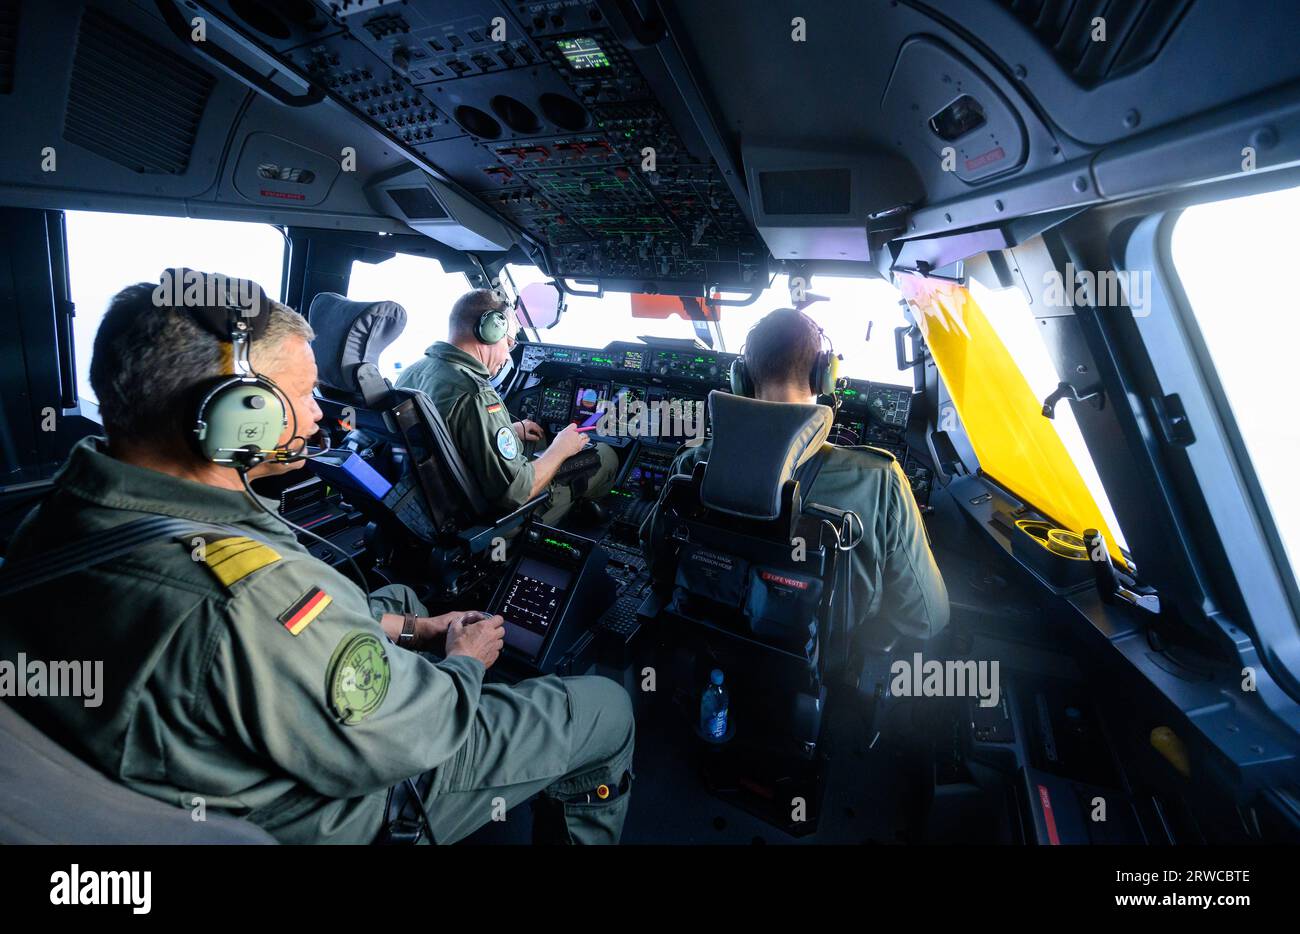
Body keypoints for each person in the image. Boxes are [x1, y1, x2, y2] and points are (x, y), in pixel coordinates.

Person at [0, 278, 634, 844]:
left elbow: (276, 632)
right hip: (342, 806)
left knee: (409, 606)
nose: (319, 414)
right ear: (235, 417)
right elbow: (414, 730)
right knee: (607, 709)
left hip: (187, 763)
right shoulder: (246, 596)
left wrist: (413, 630)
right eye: (299, 397)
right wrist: (464, 665)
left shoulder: (56, 521)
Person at [655, 308, 949, 643]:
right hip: (813, 675)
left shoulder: (692, 465)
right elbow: (926, 617)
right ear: (823, 377)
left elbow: (656, 559)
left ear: (743, 379)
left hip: (701, 646)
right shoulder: (878, 480)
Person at [395, 288, 618, 525]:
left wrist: (510, 430)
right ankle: (572, 518)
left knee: (535, 441)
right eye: (509, 343)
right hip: (489, 520)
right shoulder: (476, 394)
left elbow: (443, 435)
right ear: (491, 331)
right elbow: (517, 492)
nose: (507, 355)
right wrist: (561, 448)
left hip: (433, 502)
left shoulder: (412, 372)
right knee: (605, 455)